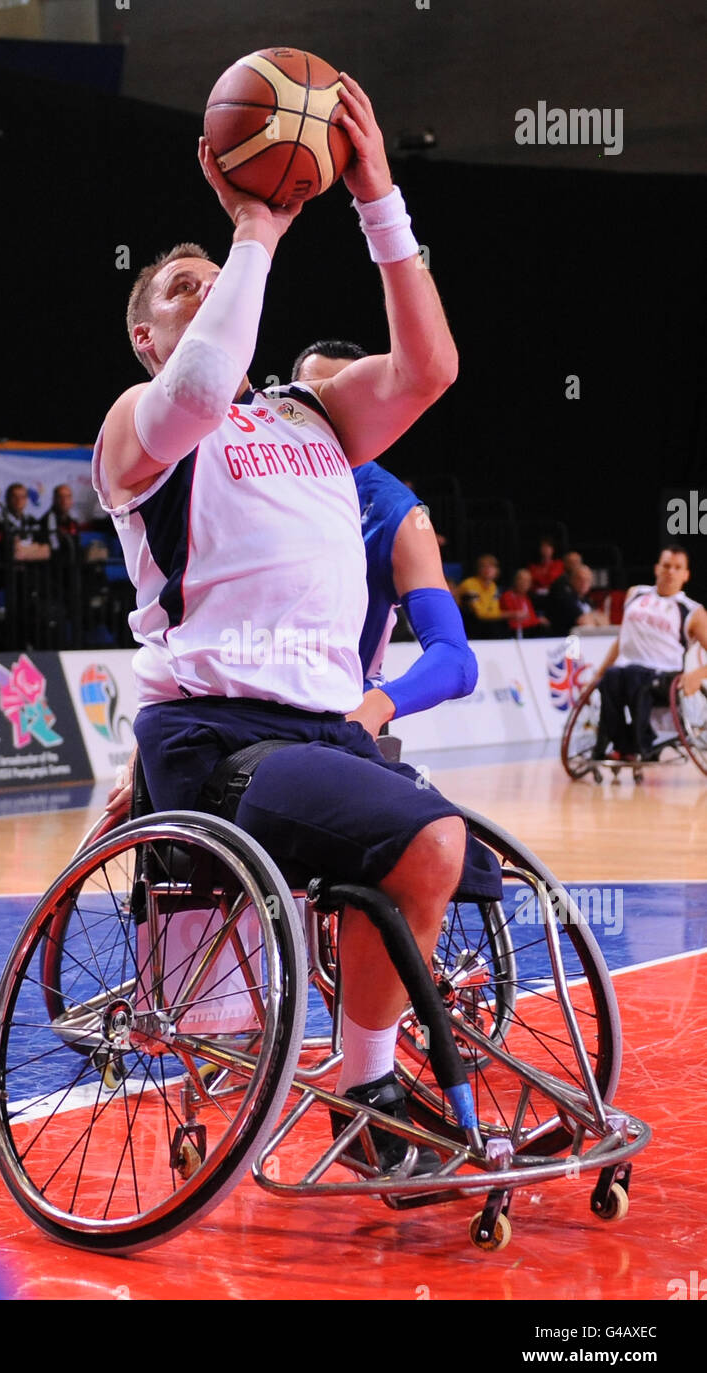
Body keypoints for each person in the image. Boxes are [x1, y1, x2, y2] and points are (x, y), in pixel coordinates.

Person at [93, 73, 500, 1171]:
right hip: (217, 740)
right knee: (421, 839)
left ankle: (373, 1072)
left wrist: (376, 194)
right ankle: (365, 1098)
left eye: (211, 275)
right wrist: (256, 229)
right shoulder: (139, 426)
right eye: (183, 284)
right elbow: (202, 380)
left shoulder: (310, 414)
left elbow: (431, 368)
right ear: (143, 333)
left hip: (325, 731)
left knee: (462, 865)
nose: (206, 283)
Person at [291, 337, 477, 737]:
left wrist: (377, 705)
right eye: (312, 400)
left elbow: (456, 660)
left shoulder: (402, 517)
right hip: (227, 715)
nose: (324, 416)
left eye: (340, 401)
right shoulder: (244, 480)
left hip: (334, 724)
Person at [591, 546, 707, 760]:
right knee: (610, 678)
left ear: (686, 575)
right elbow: (621, 639)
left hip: (663, 676)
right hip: (626, 670)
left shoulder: (692, 610)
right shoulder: (636, 594)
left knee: (637, 678)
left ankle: (643, 744)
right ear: (657, 568)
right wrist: (599, 672)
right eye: (666, 566)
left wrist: (698, 675)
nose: (670, 571)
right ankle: (620, 745)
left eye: (677, 567)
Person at [457, 555, 508, 639]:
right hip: (468, 625)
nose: (487, 569)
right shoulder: (469, 584)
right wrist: (510, 614)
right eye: (483, 566)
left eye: (491, 566)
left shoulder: (493, 586)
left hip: (486, 626)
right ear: (478, 569)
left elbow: (494, 611)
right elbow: (480, 614)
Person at [546, 561, 604, 636]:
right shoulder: (565, 597)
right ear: (572, 580)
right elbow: (582, 622)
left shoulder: (587, 600)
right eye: (580, 579)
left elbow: (605, 620)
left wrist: (593, 619)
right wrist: (595, 619)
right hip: (565, 641)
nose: (584, 583)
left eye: (587, 580)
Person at [500, 568, 550, 636]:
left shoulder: (525, 598)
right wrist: (537, 620)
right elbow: (515, 622)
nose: (524, 583)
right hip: (514, 633)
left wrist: (537, 620)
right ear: (515, 581)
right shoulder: (508, 596)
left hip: (528, 631)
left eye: (528, 581)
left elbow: (531, 617)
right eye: (522, 580)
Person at [39, 483, 81, 555]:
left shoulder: (73, 522)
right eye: (61, 497)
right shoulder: (47, 520)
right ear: (54, 499)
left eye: (68, 497)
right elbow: (54, 550)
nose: (64, 501)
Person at [528, 537, 564, 609]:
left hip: (553, 599)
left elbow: (552, 580)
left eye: (548, 546)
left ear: (553, 549)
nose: (545, 549)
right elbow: (530, 584)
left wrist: (538, 579)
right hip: (535, 598)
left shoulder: (558, 564)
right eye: (543, 546)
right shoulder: (533, 567)